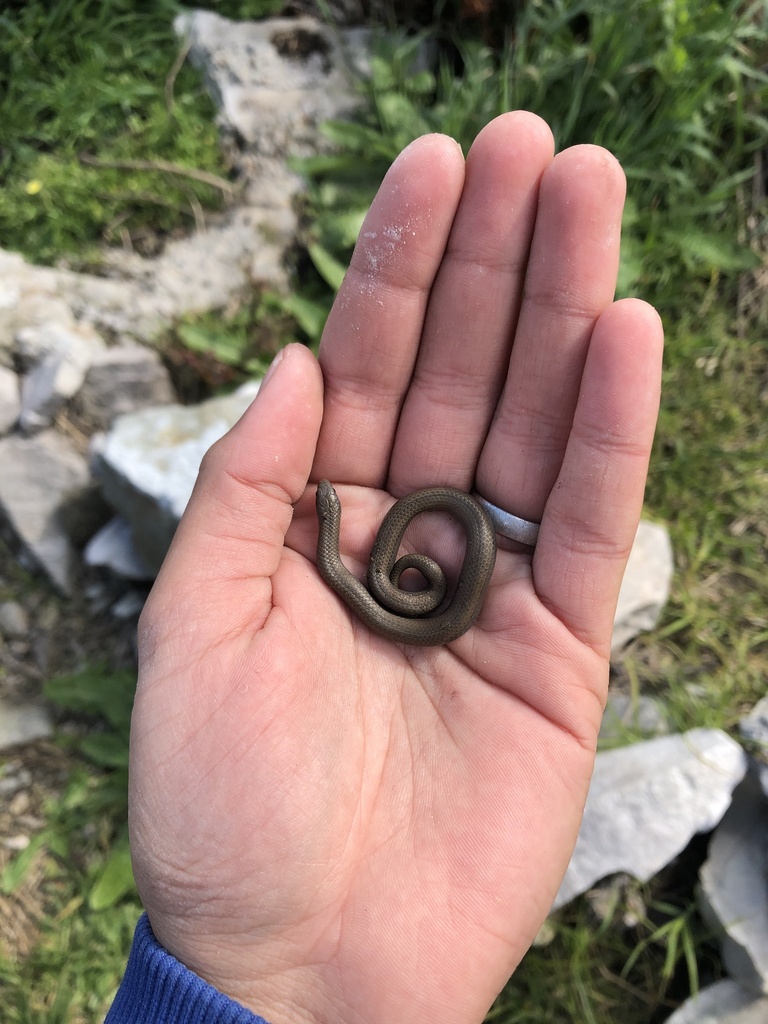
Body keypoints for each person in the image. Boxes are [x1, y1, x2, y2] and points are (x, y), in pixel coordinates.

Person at [105, 111, 663, 1023]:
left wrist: (245, 986)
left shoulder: (386, 558)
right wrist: (254, 973)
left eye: (328, 512)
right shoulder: (371, 563)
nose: (328, 510)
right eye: (332, 512)